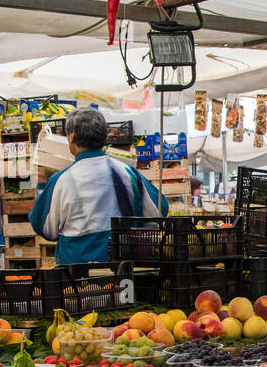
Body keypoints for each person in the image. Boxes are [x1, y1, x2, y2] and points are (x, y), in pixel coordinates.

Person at [30, 108, 169, 265]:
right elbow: (160, 209)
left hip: (78, 278)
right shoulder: (127, 173)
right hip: (127, 273)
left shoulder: (60, 180)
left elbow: (45, 228)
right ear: (105, 136)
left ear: (72, 136)